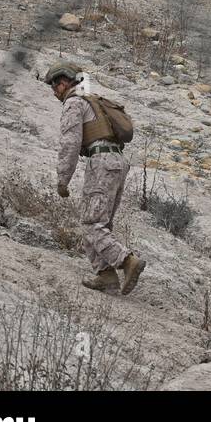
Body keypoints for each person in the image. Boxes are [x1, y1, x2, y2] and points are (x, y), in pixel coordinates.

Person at [46, 61, 146, 294]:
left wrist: (63, 179)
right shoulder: (94, 100)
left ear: (62, 82)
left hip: (101, 162)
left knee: (92, 224)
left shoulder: (73, 103)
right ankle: (105, 276)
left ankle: (127, 261)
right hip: (117, 162)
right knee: (100, 224)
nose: (53, 92)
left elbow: (70, 143)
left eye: (53, 86)